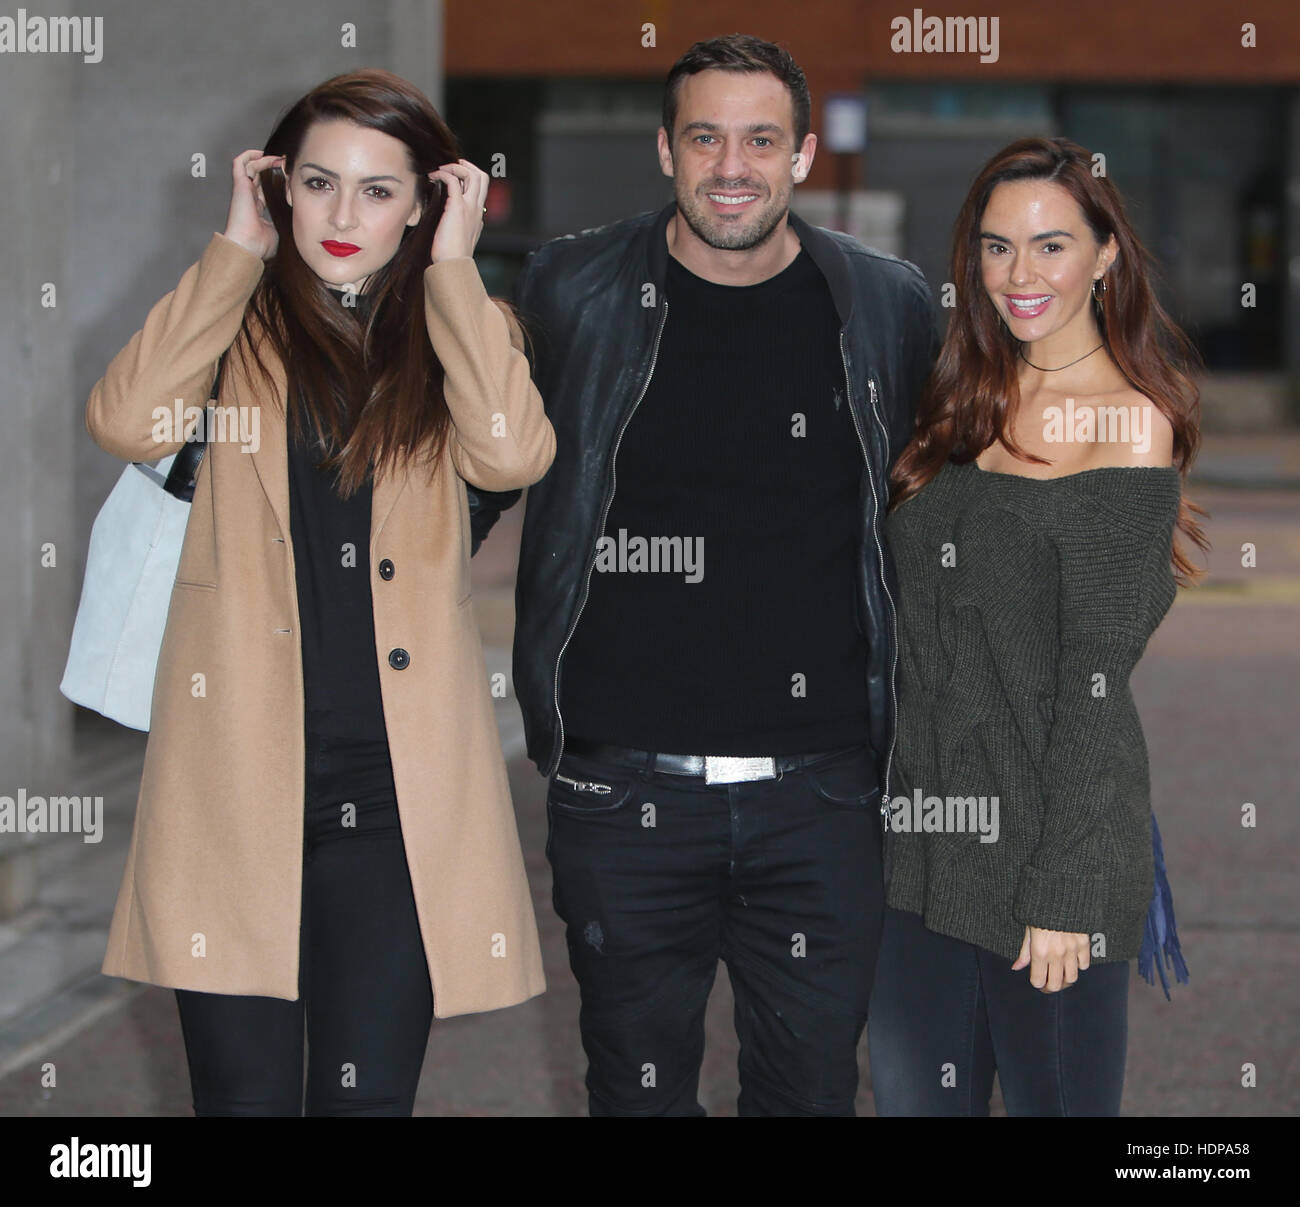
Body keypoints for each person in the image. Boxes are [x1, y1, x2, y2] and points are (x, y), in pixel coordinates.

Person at [86, 69, 555, 1116]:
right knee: (241, 1099)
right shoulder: (229, 325)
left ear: (425, 203)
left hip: (393, 800)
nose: (343, 217)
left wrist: (454, 272)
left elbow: (512, 451)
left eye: (379, 190)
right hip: (232, 788)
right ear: (279, 188)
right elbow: (126, 421)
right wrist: (233, 253)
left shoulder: (463, 334)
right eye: (318, 183)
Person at [509, 34, 938, 1116]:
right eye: (705, 138)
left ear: (802, 157)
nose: (732, 166)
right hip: (621, 794)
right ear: (666, 150)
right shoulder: (572, 288)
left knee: (809, 1095)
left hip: (825, 793)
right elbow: (466, 479)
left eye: (760, 140)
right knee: (636, 1094)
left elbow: (952, 508)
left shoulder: (885, 303)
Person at [868, 136, 1205, 1116]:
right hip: (921, 848)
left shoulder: (1128, 424)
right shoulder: (958, 399)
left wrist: (1062, 891)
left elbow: (1094, 681)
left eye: (1051, 244)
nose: (1021, 273)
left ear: (1105, 255)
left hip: (1049, 854)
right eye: (997, 246)